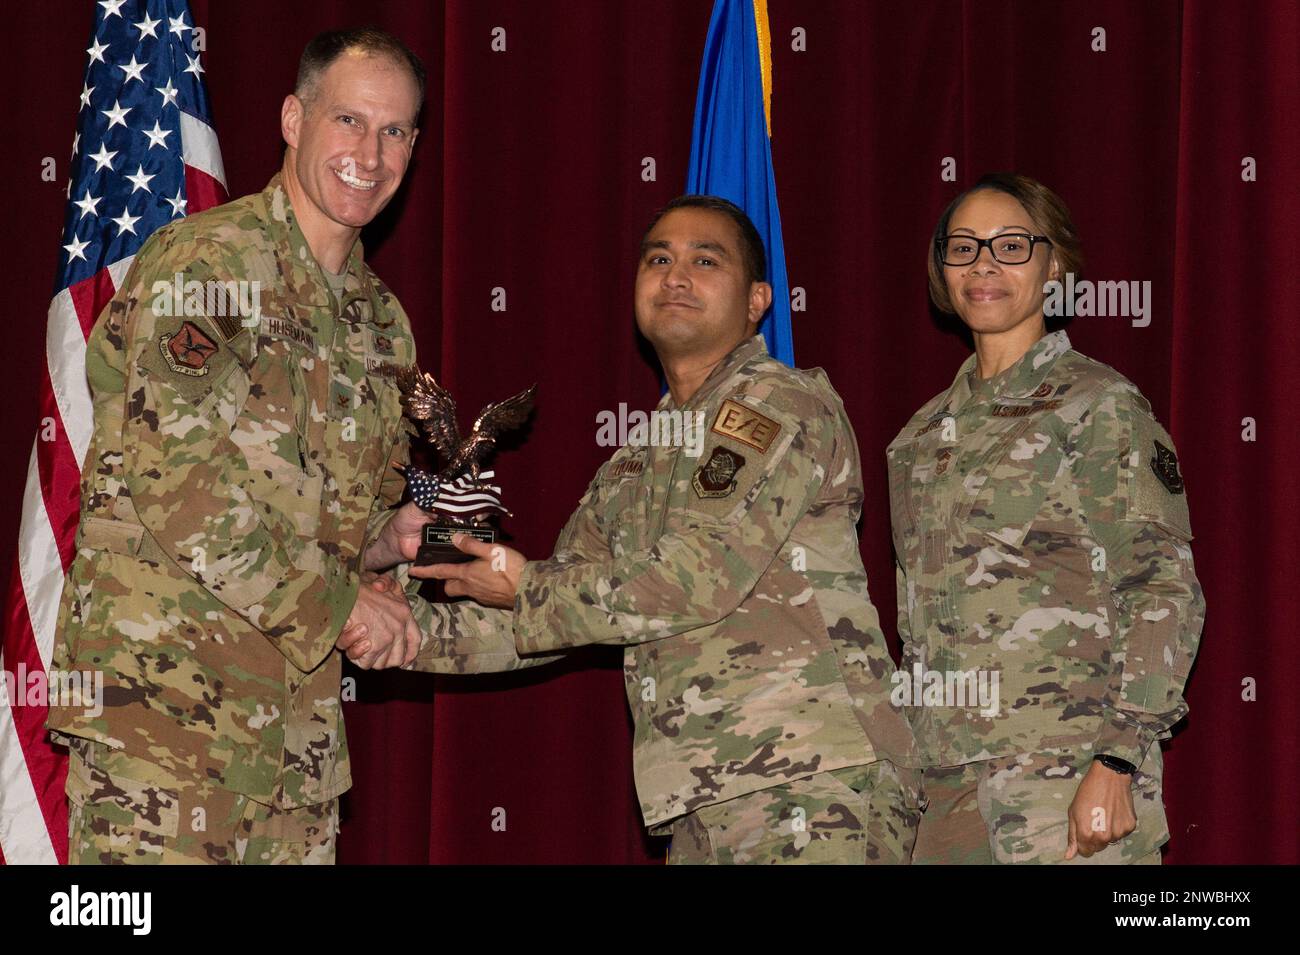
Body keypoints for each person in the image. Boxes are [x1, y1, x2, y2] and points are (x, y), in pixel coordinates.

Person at [348, 195, 922, 864]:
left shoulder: (777, 401)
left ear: (758, 299)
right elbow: (553, 607)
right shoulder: (638, 458)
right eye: (658, 259)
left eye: (705, 260)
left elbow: (697, 574)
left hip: (812, 782)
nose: (675, 275)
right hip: (705, 800)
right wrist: (396, 627)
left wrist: (524, 585)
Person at [47, 28, 450, 864]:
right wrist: (343, 607)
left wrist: (388, 542)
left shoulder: (382, 325)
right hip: (163, 733)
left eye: (395, 131)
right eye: (348, 120)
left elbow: (331, 523)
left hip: (292, 754)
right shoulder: (213, 266)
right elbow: (177, 485)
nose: (369, 154)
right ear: (294, 119)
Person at [887, 172, 1205, 864]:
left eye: (1011, 245)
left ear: (1053, 264)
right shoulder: (916, 439)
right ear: (941, 269)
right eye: (964, 248)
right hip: (942, 799)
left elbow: (1162, 587)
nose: (984, 265)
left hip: (1063, 787)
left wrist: (1119, 761)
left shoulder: (1098, 405)